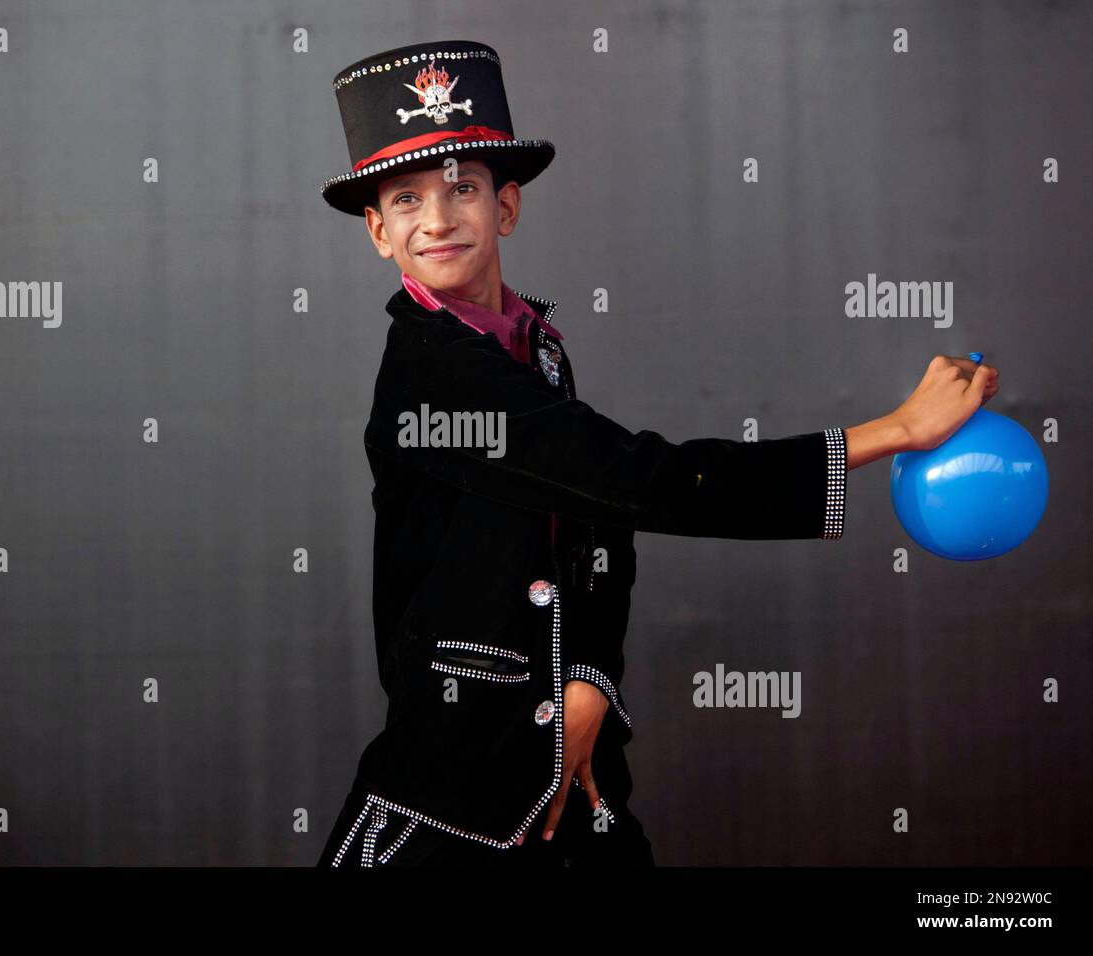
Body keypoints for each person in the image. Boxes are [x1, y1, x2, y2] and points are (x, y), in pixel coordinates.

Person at [315, 39, 999, 867]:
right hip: (457, 795)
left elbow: (603, 523)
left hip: (574, 767)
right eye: (407, 198)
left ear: (508, 207)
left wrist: (589, 679)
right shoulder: (436, 377)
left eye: (463, 187)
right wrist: (894, 432)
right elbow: (647, 482)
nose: (437, 218)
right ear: (378, 231)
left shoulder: (535, 345)